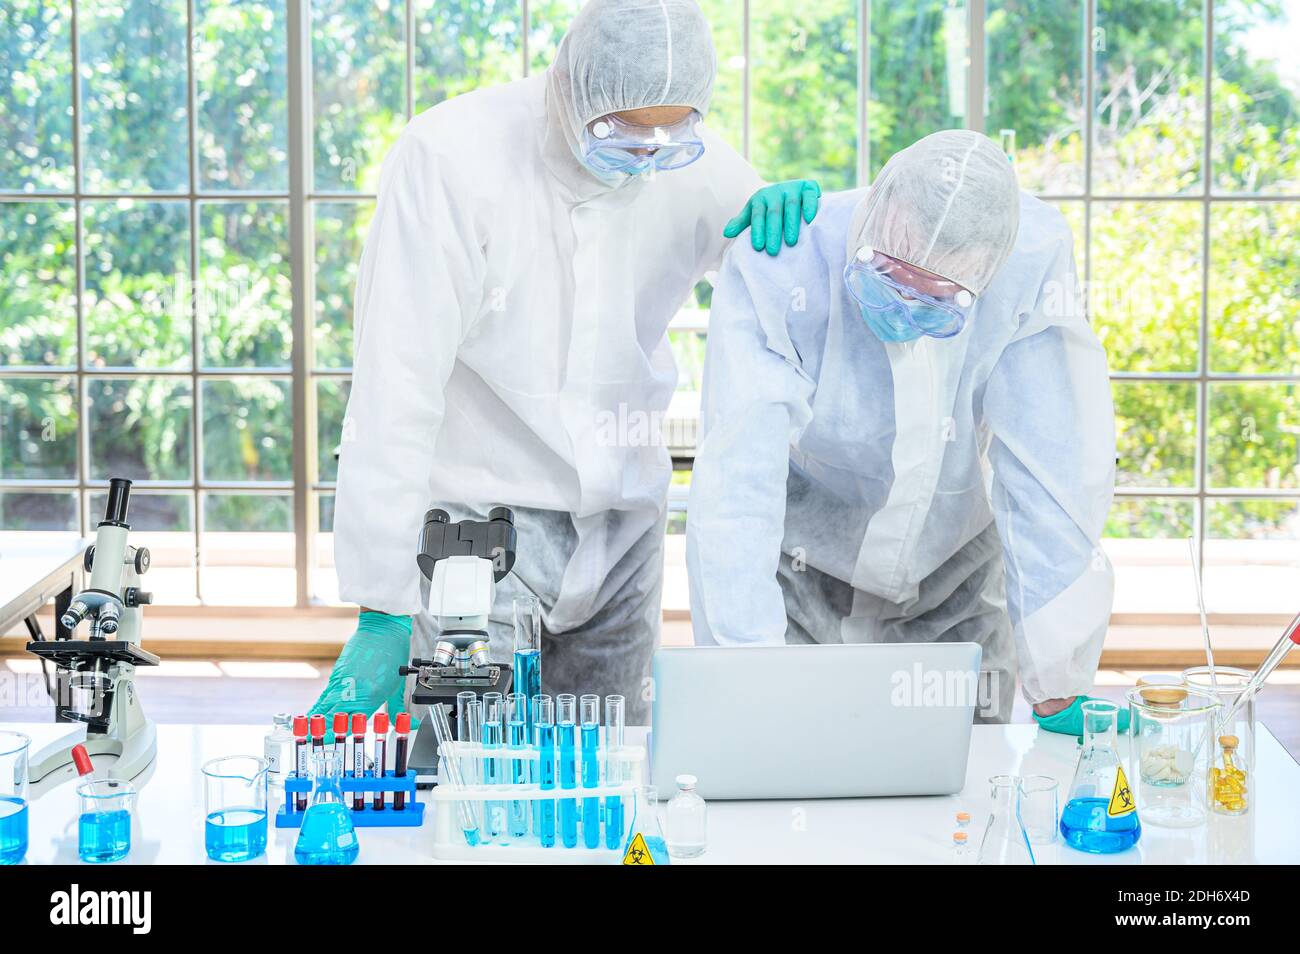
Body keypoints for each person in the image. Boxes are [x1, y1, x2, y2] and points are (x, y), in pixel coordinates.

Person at [311, 0, 820, 727]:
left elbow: (790, 287)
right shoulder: (450, 159)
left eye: (667, 139)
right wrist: (382, 603)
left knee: (609, 765)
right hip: (479, 524)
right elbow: (397, 385)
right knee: (469, 763)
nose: (645, 159)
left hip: (623, 528)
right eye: (621, 135)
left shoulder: (690, 161)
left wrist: (811, 235)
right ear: (572, 86)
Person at [687, 130, 1121, 734]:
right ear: (874, 209)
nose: (903, 309)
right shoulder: (787, 259)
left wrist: (1059, 674)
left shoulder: (1030, 261)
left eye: (938, 301)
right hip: (801, 569)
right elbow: (737, 480)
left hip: (954, 573)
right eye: (885, 276)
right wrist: (745, 664)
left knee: (964, 773)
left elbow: (1050, 466)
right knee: (787, 753)